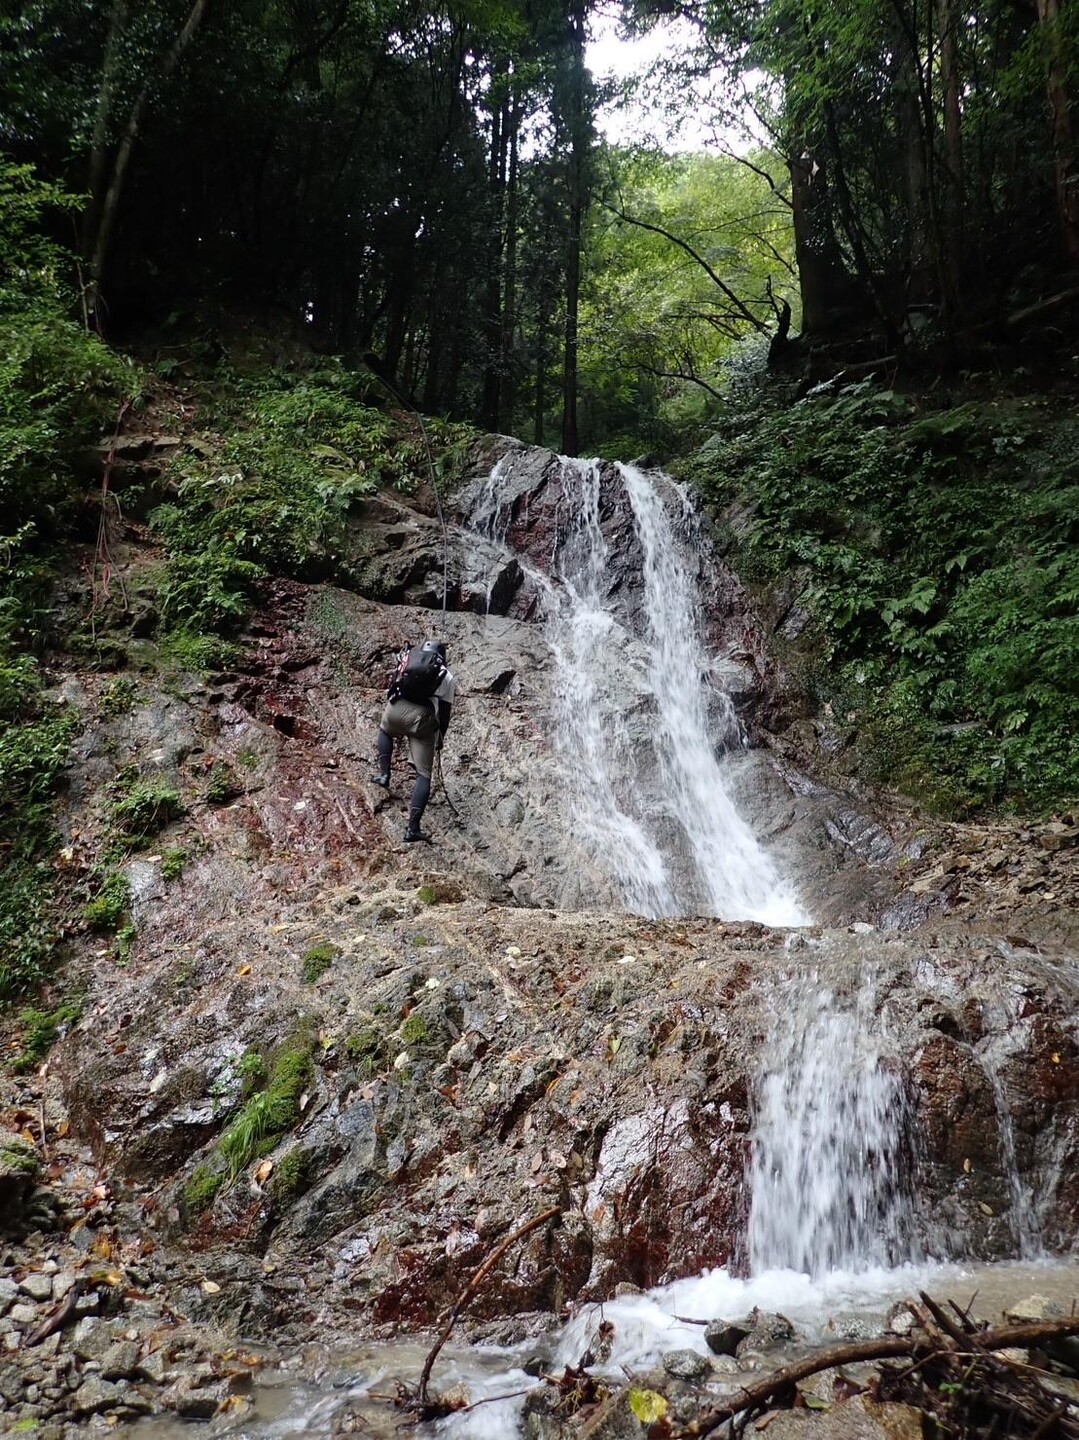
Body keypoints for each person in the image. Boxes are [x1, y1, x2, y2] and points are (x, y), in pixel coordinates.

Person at [372, 639, 456, 843]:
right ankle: (412, 829)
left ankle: (384, 775)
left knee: (385, 731)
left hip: (395, 709)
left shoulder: (409, 659)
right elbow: (444, 713)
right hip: (421, 720)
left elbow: (394, 682)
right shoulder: (447, 676)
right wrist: (439, 739)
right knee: (424, 774)